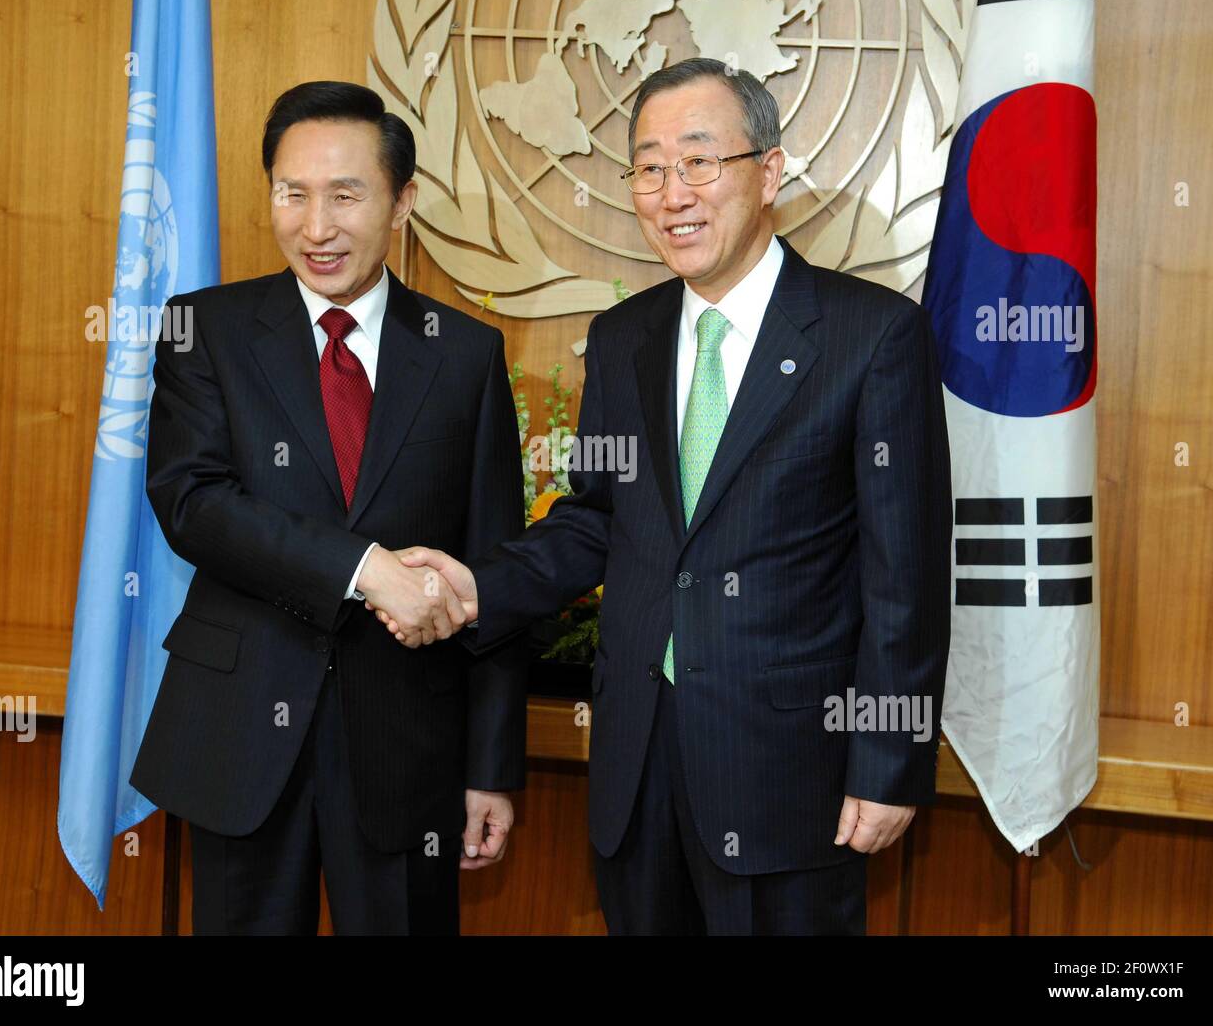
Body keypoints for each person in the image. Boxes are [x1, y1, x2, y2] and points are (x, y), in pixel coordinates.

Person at [378, 58, 953, 935]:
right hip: (637, 768)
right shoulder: (623, 339)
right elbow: (596, 520)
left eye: (699, 161)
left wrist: (889, 760)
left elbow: (905, 576)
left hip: (791, 776)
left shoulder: (871, 336)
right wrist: (471, 587)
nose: (672, 191)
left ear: (768, 173)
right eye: (649, 168)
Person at [129, 81, 526, 935]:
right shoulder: (205, 329)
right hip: (241, 734)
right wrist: (364, 570)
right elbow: (193, 502)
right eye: (291, 192)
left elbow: (494, 569)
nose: (316, 226)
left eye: (346, 195)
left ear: (402, 201)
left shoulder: (464, 355)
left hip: (409, 751)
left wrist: (491, 767)